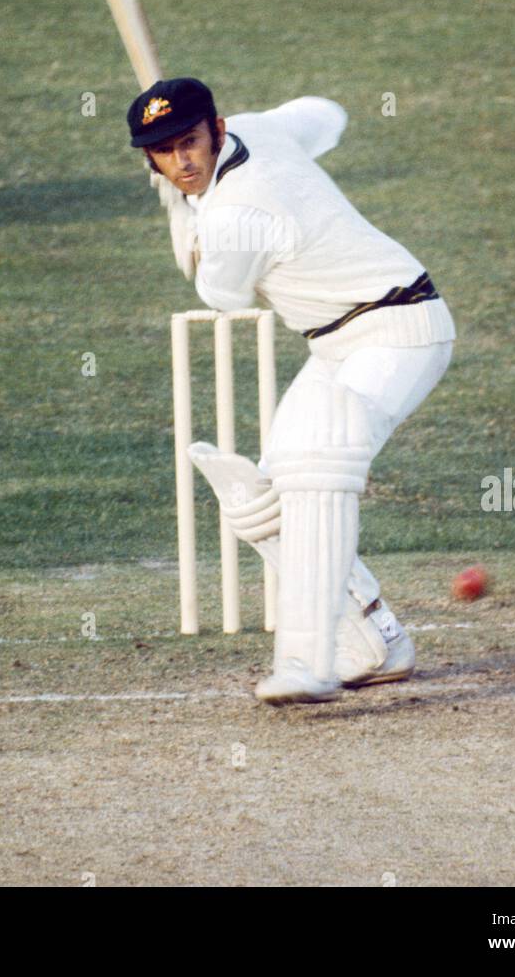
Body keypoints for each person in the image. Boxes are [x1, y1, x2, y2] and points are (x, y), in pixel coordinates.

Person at [127, 77, 456, 705]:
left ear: (217, 129)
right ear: (149, 156)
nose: (183, 162)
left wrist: (181, 209)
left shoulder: (237, 213)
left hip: (401, 331)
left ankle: (308, 664)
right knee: (264, 499)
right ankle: (372, 642)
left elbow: (219, 294)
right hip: (335, 343)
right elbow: (325, 116)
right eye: (165, 152)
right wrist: (211, 187)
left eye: (191, 142)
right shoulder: (263, 129)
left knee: (314, 474)